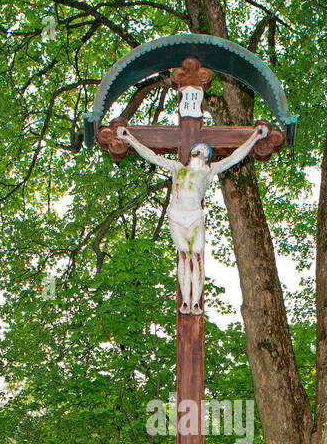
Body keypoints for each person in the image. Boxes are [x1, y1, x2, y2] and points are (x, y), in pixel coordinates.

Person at [115, 122, 269, 313]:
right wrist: (128, 138)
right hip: (177, 216)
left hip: (195, 217)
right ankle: (185, 302)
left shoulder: (208, 171)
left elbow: (235, 157)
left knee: (197, 255)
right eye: (199, 147)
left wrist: (255, 137)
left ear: (207, 158)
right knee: (183, 254)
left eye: (206, 149)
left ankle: (196, 301)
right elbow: (151, 156)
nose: (202, 148)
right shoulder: (177, 167)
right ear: (193, 152)